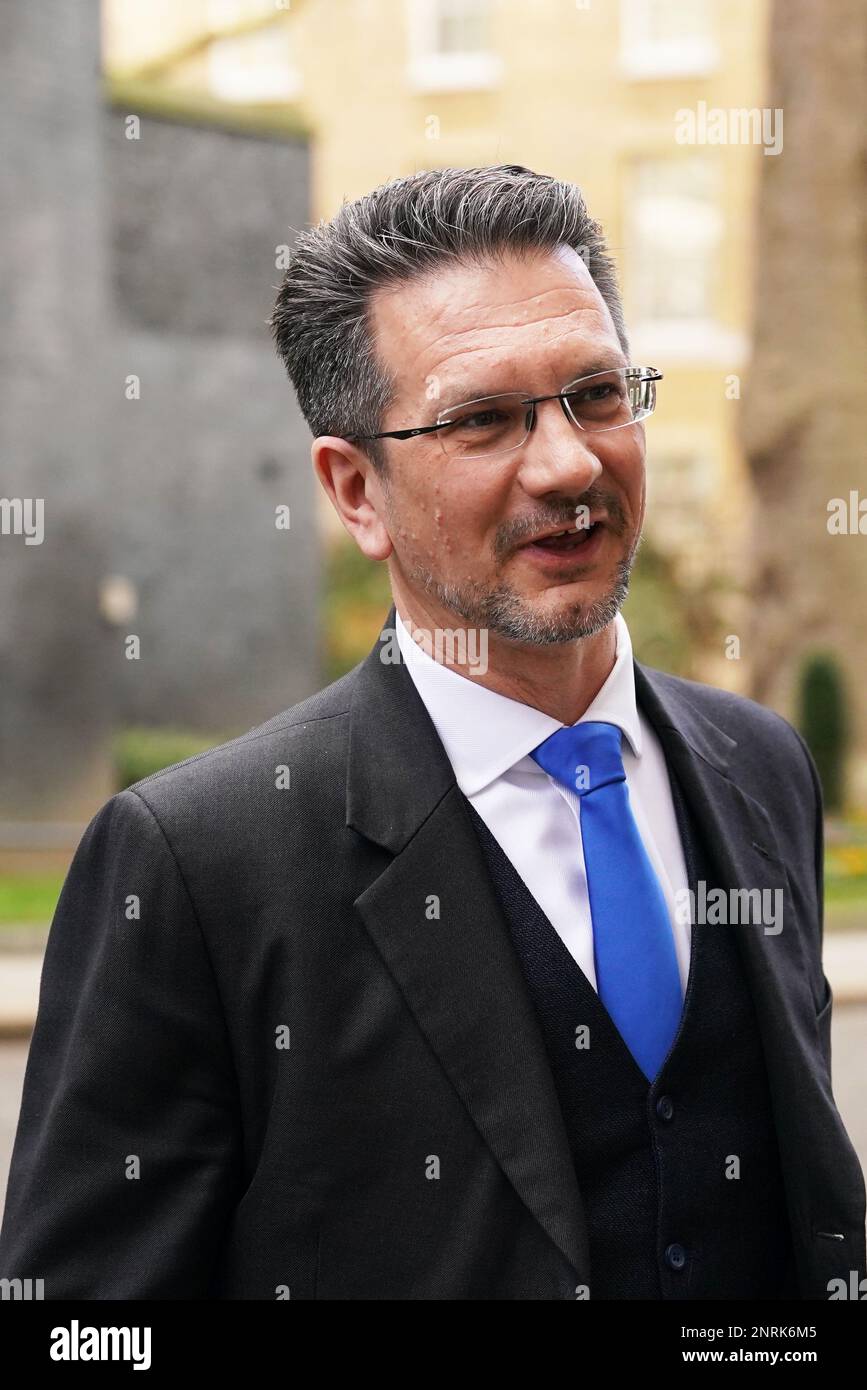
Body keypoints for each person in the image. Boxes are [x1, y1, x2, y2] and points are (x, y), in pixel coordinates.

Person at [1, 165, 863, 1300]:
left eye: (597, 395)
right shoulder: (199, 864)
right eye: (483, 419)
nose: (569, 463)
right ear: (357, 490)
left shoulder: (761, 766)